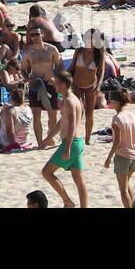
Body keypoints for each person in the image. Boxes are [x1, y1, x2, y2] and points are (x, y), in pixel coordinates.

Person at [42, 70, 87, 208]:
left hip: (71, 143)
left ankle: (67, 202)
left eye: (56, 82)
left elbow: (72, 124)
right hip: (77, 142)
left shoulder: (69, 100)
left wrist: (66, 147)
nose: (54, 84)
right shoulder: (72, 98)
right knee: (79, 181)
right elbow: (62, 122)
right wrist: (48, 137)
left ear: (62, 84)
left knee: (47, 172)